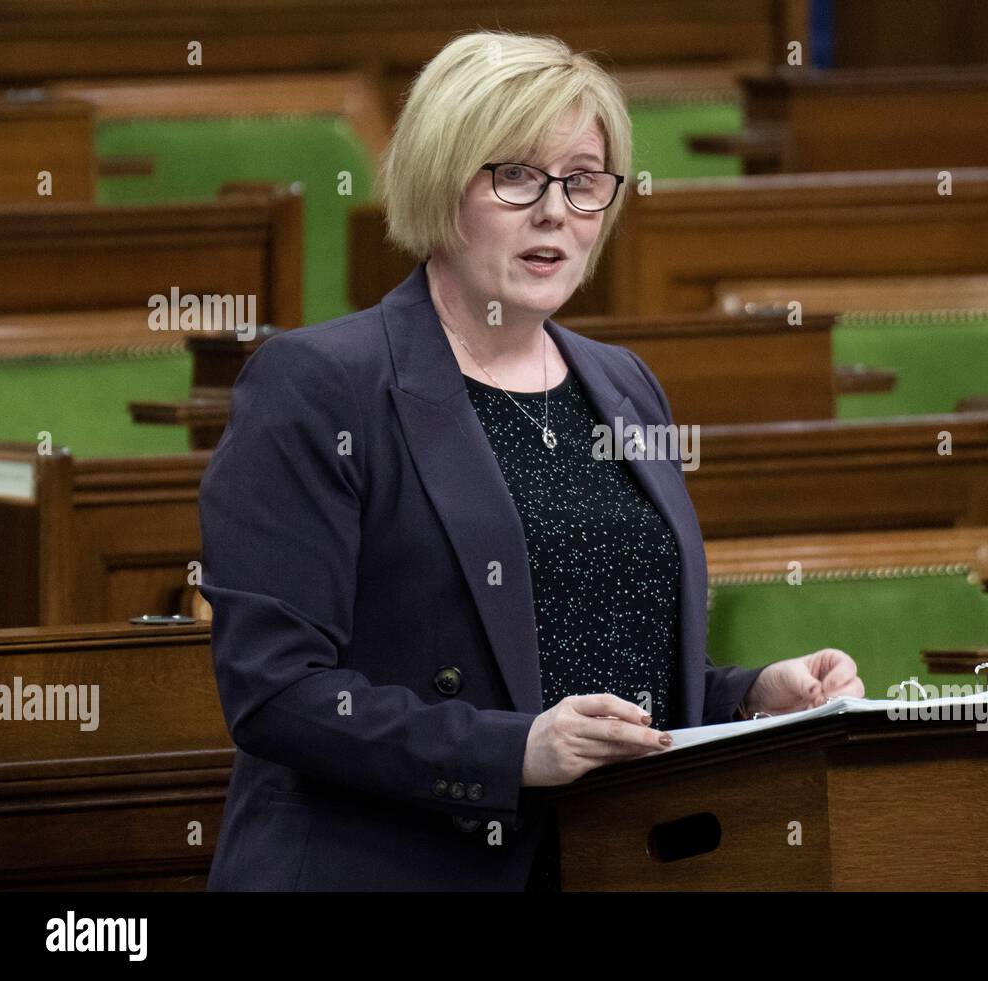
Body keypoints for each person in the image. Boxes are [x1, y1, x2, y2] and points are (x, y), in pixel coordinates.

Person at [198, 28, 865, 892]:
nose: (556, 210)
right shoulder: (319, 386)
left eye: (583, 182)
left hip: (611, 861)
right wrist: (511, 750)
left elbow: (602, 657)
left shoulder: (624, 386)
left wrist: (745, 698)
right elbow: (275, 690)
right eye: (517, 175)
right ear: (442, 182)